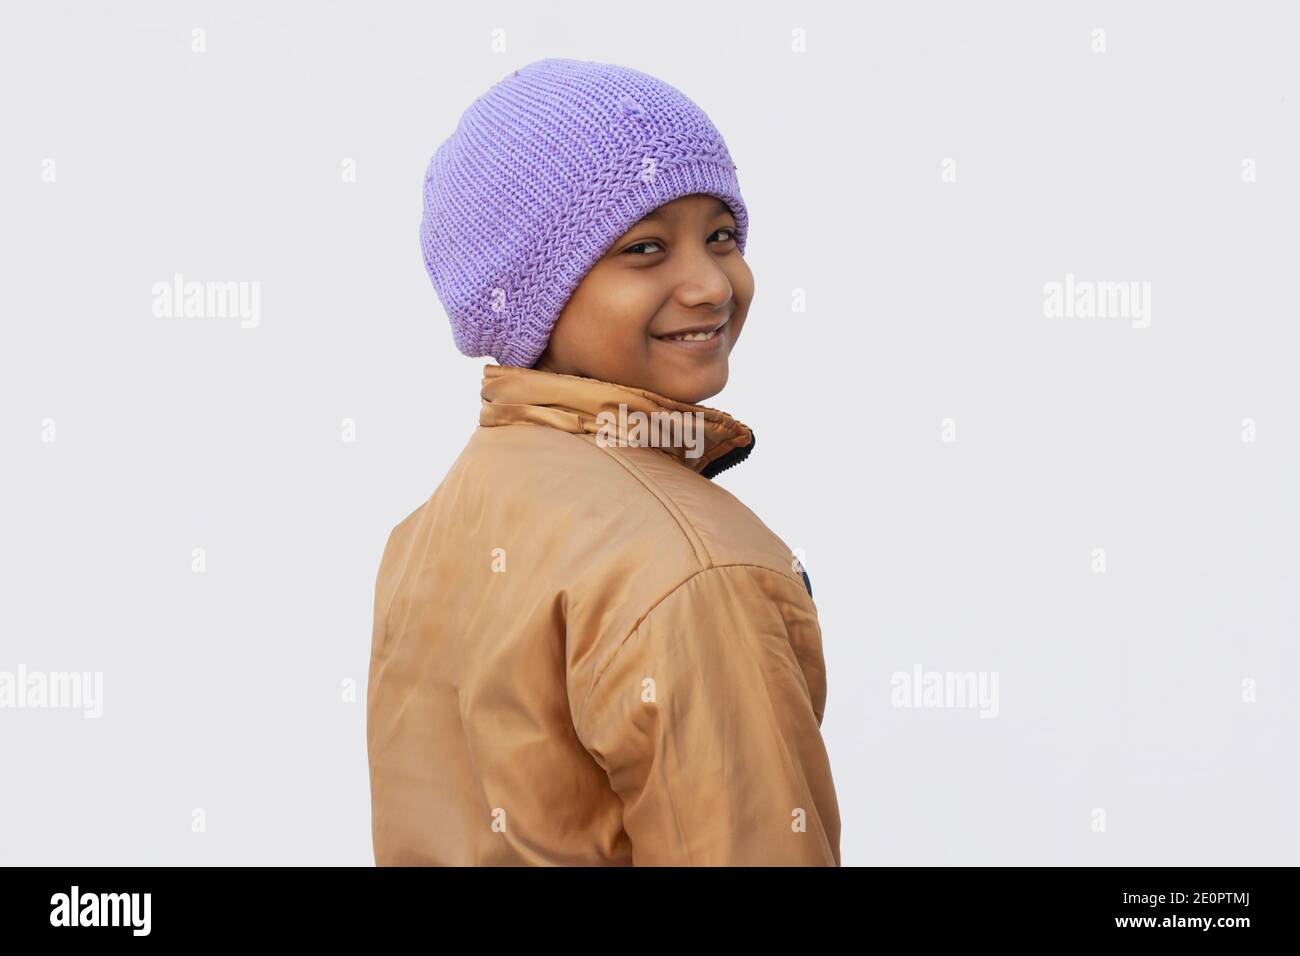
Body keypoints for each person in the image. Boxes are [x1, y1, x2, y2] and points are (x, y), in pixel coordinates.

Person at [367, 57, 840, 865]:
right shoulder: (692, 567)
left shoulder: (427, 534)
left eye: (721, 237)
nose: (710, 284)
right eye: (645, 248)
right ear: (533, 293)